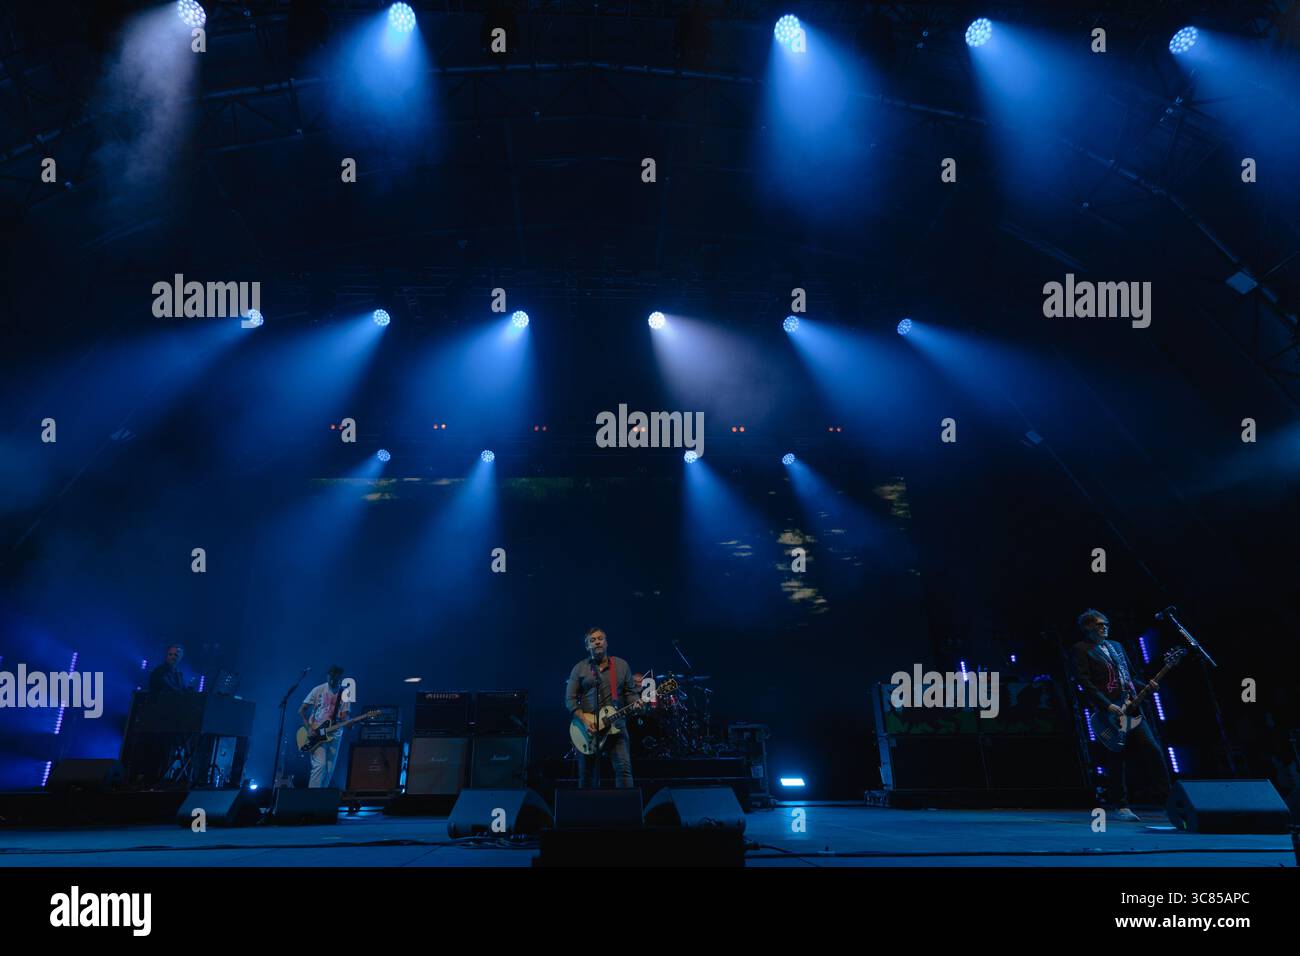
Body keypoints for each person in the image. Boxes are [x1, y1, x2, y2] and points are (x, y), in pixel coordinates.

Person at [1071, 609, 1171, 821]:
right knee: (1116, 757)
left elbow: (1130, 676)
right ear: (1088, 628)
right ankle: (1120, 805)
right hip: (1110, 713)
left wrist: (1147, 686)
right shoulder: (1081, 649)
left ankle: (1170, 799)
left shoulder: (1116, 646)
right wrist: (1107, 706)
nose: (1104, 627)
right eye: (1099, 624)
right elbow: (1085, 682)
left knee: (1153, 751)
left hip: (1132, 709)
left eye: (1105, 623)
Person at [565, 628, 640, 788]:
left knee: (624, 770)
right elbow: (569, 700)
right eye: (592, 640)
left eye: (600, 639)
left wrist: (637, 703)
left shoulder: (621, 665)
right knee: (586, 776)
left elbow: (631, 694)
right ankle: (586, 811)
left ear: (606, 642)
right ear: (587, 647)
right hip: (588, 731)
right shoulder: (579, 668)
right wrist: (585, 721)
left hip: (616, 727)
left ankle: (626, 810)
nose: (597, 642)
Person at [299, 666, 350, 788]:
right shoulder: (318, 690)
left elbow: (344, 716)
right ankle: (312, 799)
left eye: (335, 679)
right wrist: (309, 728)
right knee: (319, 766)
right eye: (330, 678)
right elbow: (301, 710)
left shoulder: (344, 694)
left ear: (340, 678)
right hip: (317, 732)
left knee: (329, 768)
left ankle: (321, 799)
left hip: (335, 733)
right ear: (327, 676)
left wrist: (349, 722)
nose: (332, 681)